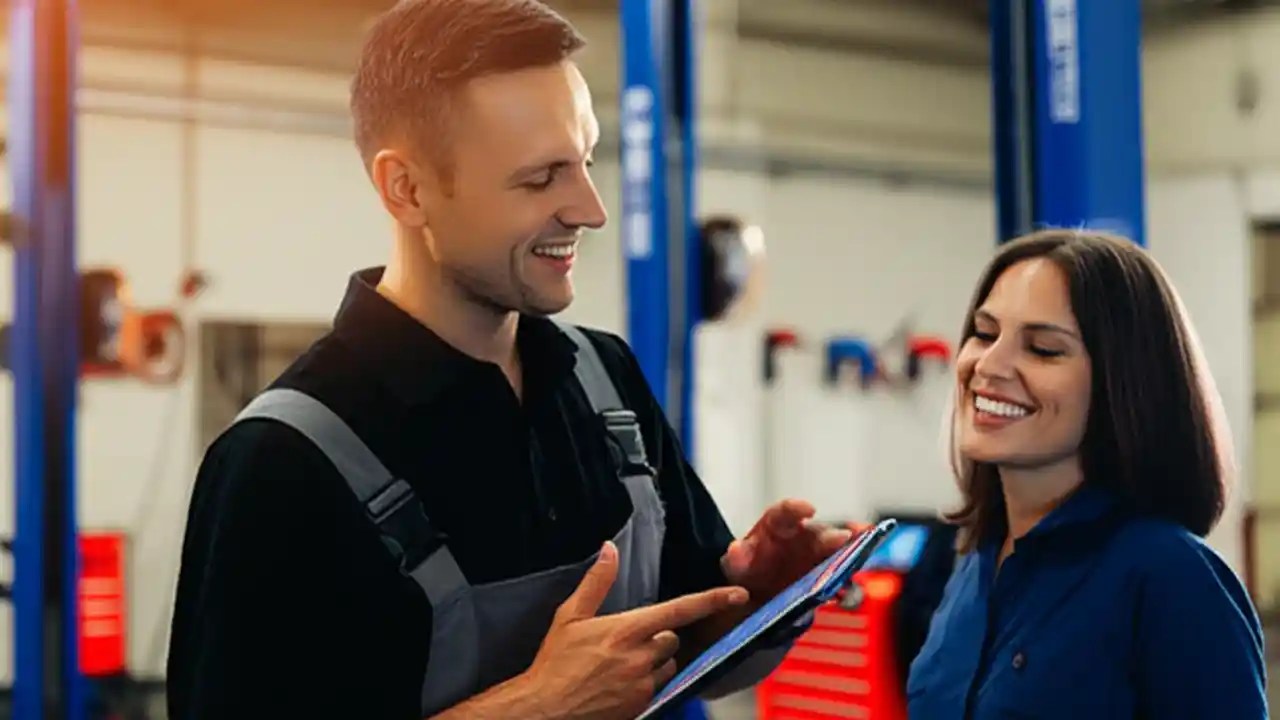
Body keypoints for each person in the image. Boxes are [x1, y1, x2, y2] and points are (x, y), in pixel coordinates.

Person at [165, 2, 853, 719]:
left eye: (584, 162)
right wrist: (535, 706)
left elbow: (680, 654)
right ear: (407, 188)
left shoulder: (604, 386)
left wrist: (767, 601)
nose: (590, 210)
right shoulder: (280, 464)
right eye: (540, 178)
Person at [905, 229, 1269, 719]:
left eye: (1042, 349)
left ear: (1124, 383)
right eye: (986, 333)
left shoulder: (1171, 578)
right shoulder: (974, 562)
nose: (988, 365)